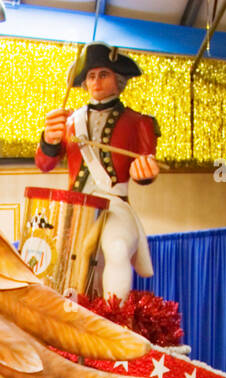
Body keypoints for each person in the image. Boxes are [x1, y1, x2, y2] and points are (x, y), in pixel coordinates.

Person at [35, 43, 161, 298]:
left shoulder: (139, 122)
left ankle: (116, 320)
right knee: (64, 264)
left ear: (119, 80)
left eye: (103, 74)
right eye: (91, 76)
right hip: (76, 206)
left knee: (116, 249)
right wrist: (48, 141)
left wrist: (145, 172)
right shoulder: (68, 121)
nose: (96, 81)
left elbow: (146, 165)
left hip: (115, 203)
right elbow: (44, 164)